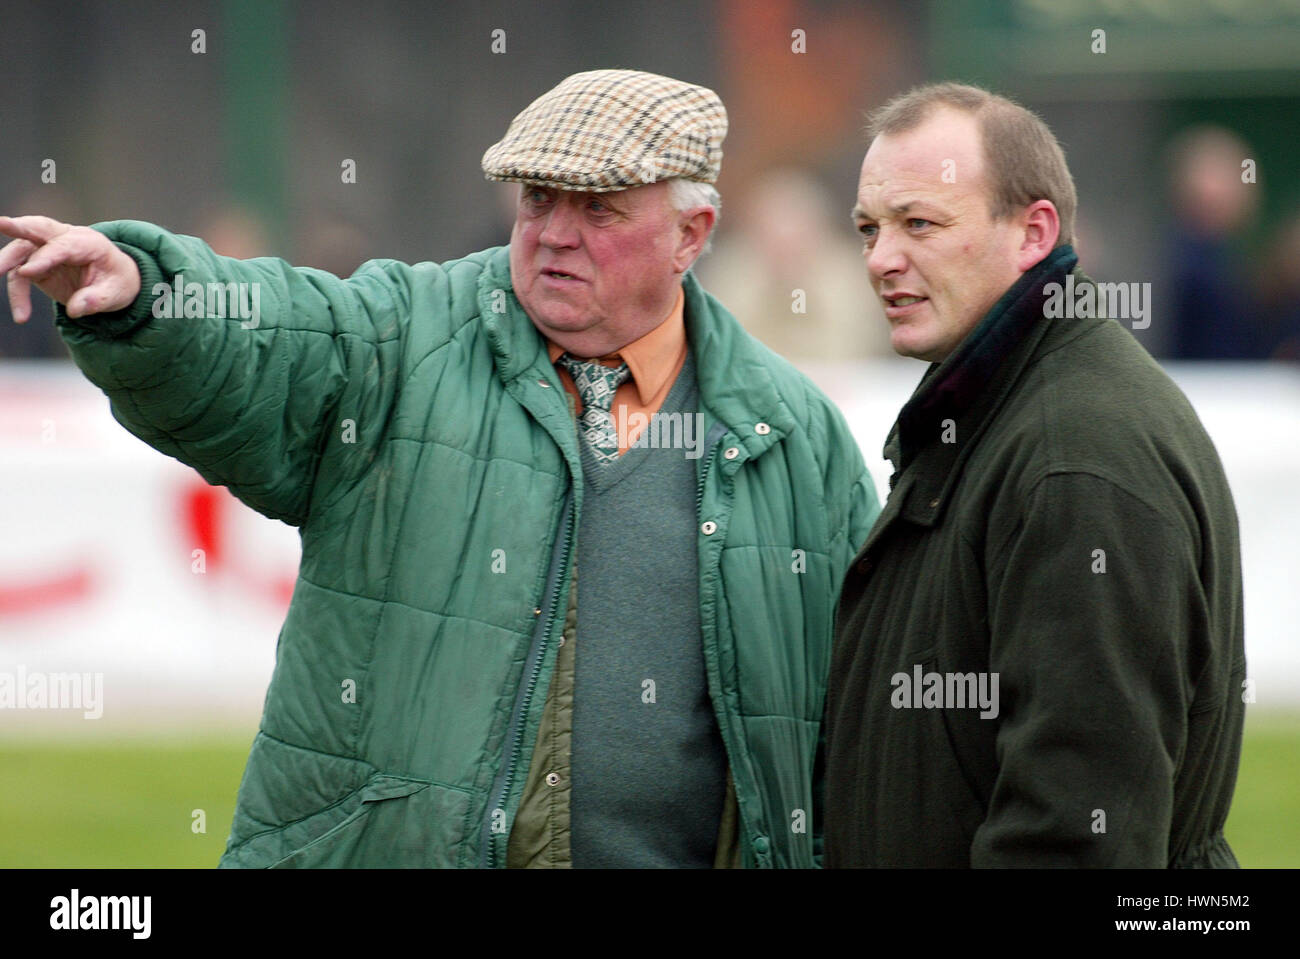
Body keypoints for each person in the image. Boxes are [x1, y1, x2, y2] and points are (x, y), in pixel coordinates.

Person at [1, 69, 879, 869]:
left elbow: (855, 735)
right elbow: (278, 334)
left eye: (599, 209)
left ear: (693, 233)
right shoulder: (402, 336)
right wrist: (153, 294)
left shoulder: (796, 436)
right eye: (538, 199)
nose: (553, 236)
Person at [825, 82, 1245, 868]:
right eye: (868, 228)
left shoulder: (1074, 455)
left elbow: (1077, 836)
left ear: (1032, 232)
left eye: (920, 223)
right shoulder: (995, 403)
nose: (882, 258)